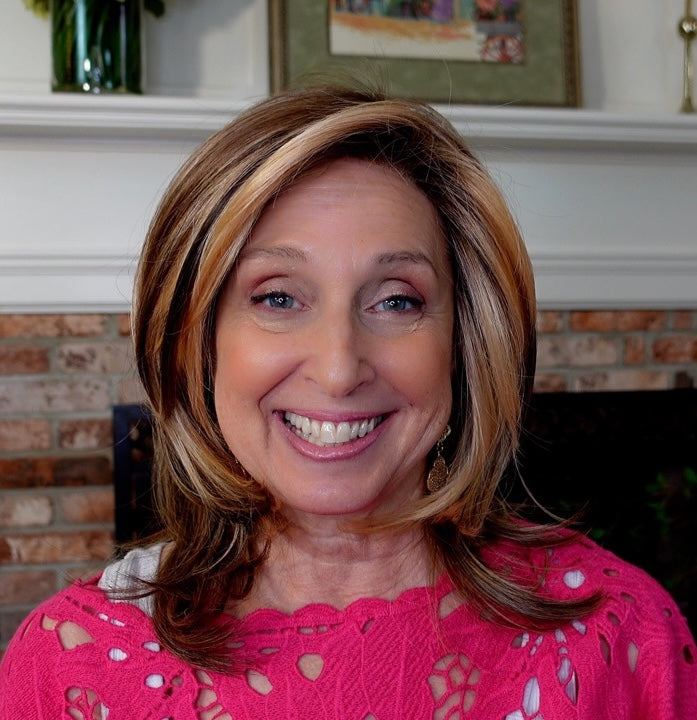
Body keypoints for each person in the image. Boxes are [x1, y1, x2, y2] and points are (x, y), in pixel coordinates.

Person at [1, 84, 695, 719]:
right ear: (197, 341)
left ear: (464, 342)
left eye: (396, 301)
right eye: (278, 297)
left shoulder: (620, 635)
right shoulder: (70, 665)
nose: (338, 370)